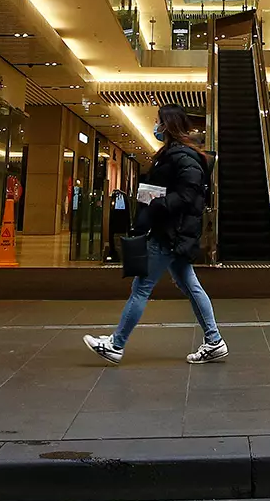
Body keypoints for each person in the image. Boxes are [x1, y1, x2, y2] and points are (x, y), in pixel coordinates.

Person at [84, 105, 227, 364]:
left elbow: (187, 196)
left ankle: (116, 345)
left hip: (169, 233)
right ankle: (214, 340)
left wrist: (155, 203)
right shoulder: (173, 154)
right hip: (173, 231)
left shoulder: (183, 157)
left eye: (158, 121)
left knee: (141, 288)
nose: (155, 126)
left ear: (168, 125)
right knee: (190, 285)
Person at [105, 187, 129, 261]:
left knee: (117, 240)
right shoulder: (123, 197)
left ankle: (117, 254)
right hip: (121, 225)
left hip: (117, 225)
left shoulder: (119, 198)